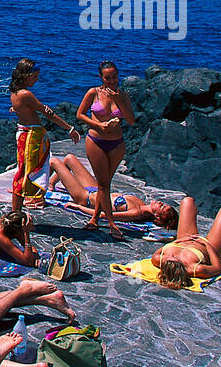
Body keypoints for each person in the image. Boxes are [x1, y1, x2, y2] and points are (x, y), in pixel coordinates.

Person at [9, 58, 80, 212]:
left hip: (25, 133)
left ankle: (24, 205)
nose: (37, 79)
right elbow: (48, 113)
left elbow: (25, 108)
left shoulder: (14, 92)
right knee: (25, 173)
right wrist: (69, 128)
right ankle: (16, 212)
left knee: (26, 169)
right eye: (34, 76)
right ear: (26, 76)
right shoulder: (25, 94)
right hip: (30, 136)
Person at [76, 62, 137, 239]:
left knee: (105, 184)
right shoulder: (93, 93)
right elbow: (80, 114)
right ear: (101, 78)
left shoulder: (123, 96)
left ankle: (95, 218)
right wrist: (98, 125)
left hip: (117, 143)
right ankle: (111, 224)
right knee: (103, 184)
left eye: (114, 77)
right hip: (96, 141)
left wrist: (118, 100)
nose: (111, 81)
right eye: (107, 78)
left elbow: (131, 120)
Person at [47, 153, 177, 228]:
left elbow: (104, 215)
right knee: (69, 158)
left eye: (162, 207)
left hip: (84, 197)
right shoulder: (141, 204)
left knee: (54, 162)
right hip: (95, 190)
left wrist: (78, 207)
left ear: (157, 216)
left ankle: (37, 189)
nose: (160, 203)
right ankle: (51, 184)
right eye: (163, 204)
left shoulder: (135, 212)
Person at [151, 196, 221, 290]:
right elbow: (218, 269)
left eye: (168, 258)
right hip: (208, 247)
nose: (171, 256)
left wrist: (177, 241)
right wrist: (207, 245)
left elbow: (157, 253)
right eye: (174, 258)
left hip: (185, 239)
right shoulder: (195, 269)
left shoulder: (159, 259)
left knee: (187, 201)